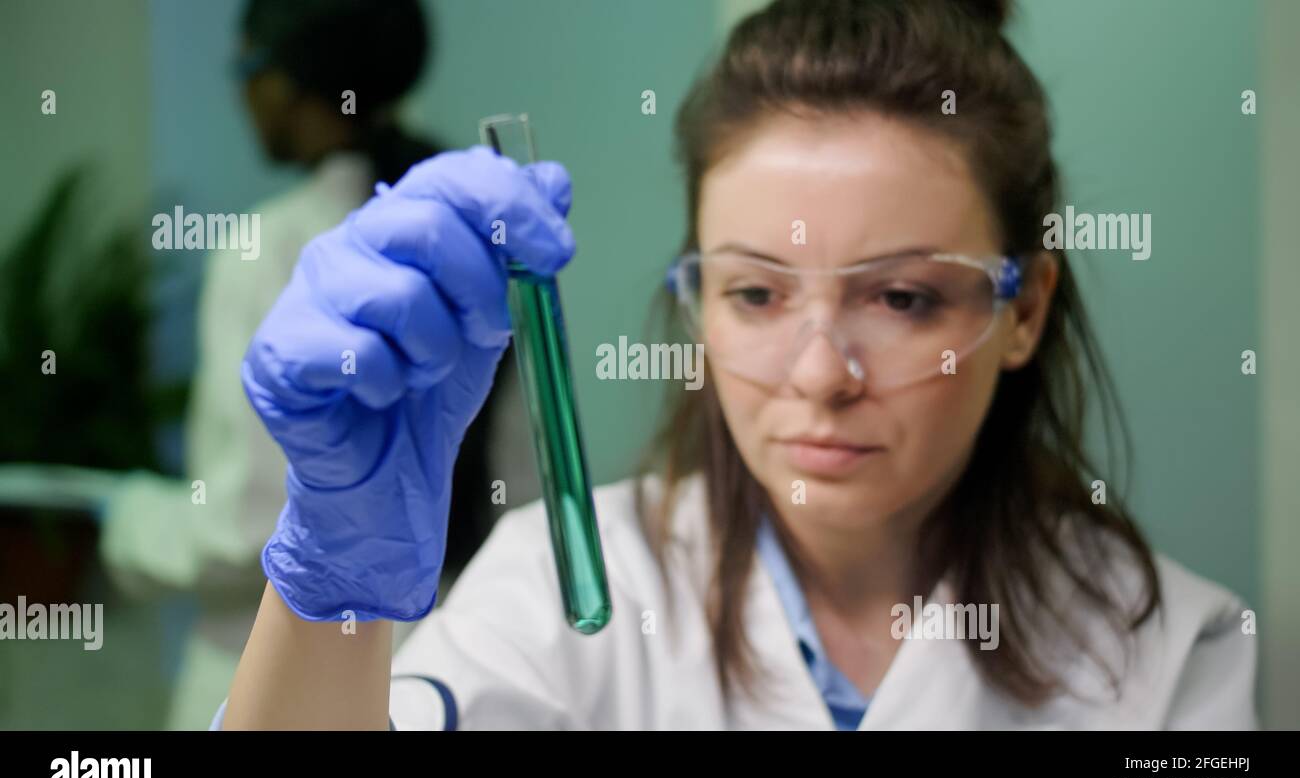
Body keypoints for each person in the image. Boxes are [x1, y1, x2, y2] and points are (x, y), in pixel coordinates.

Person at [217, 0, 1256, 730]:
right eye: (756, 292)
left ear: (1022, 306)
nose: (819, 373)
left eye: (900, 296)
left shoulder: (1164, 651)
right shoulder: (560, 589)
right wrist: (333, 591)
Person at [100, 0, 532, 730]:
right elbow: (514, 489)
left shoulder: (264, 248)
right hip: (442, 653)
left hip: (267, 672)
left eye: (246, 68)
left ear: (289, 80)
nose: (240, 94)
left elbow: (243, 527)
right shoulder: (468, 238)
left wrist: (127, 521)